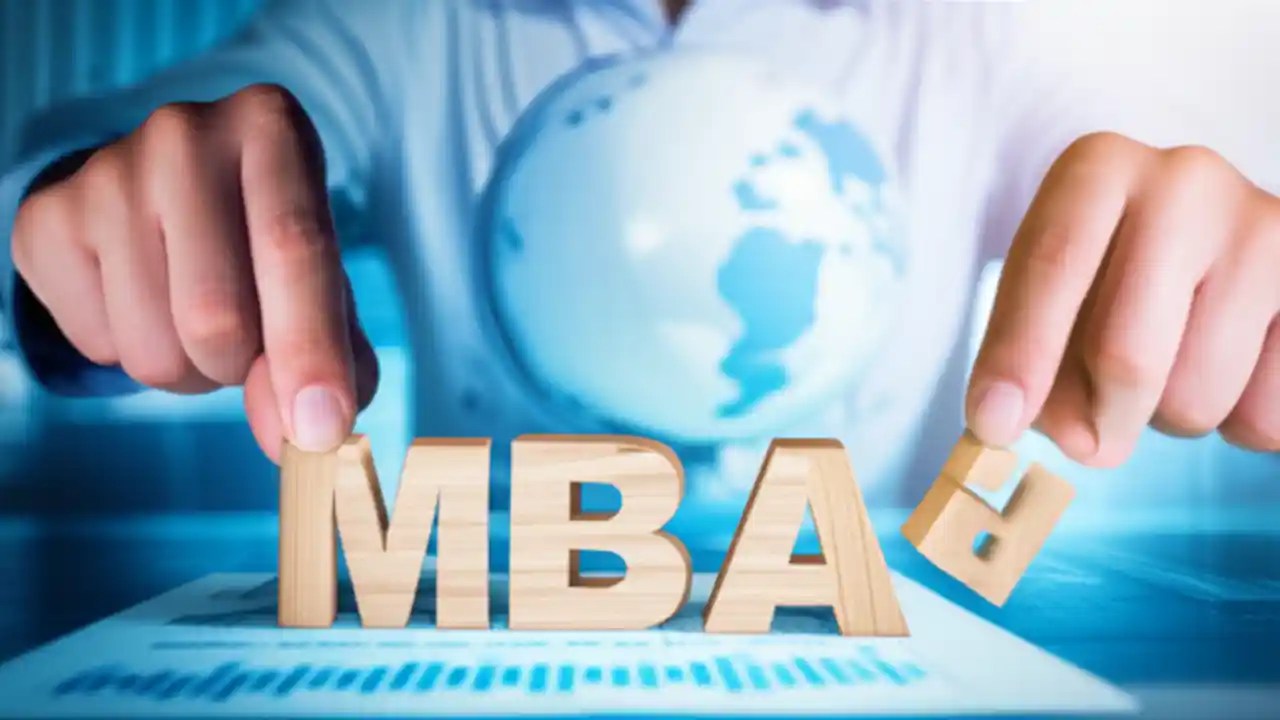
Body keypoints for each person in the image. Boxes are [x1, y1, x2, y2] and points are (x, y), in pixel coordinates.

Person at [1, 0, 1275, 487]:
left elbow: (1148, 154)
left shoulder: (974, 38)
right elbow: (105, 156)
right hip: (485, 663)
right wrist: (67, 231)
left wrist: (1232, 272)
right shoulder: (401, 33)